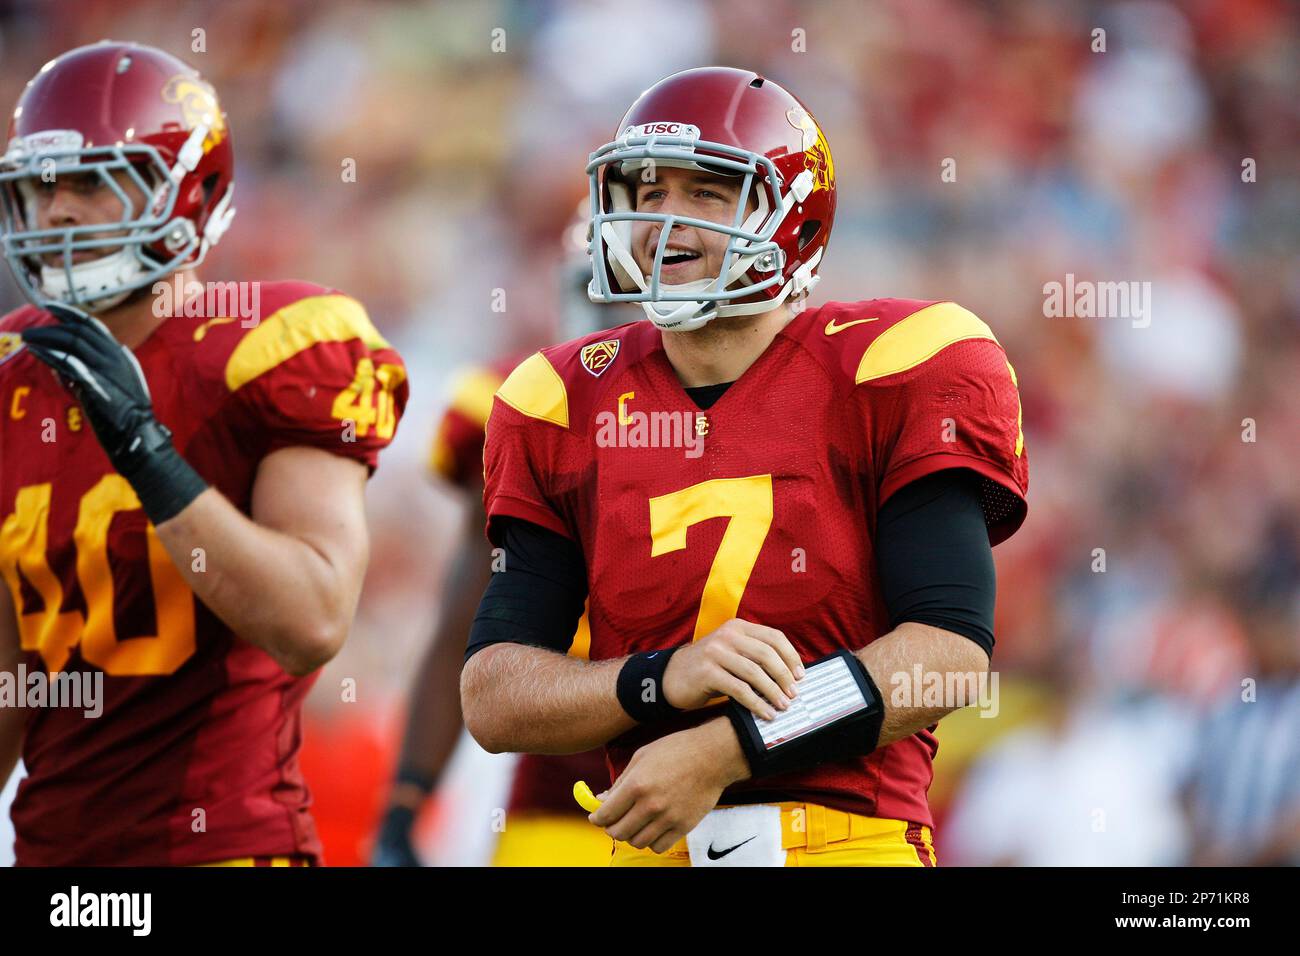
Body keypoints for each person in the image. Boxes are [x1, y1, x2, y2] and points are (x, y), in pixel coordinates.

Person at [460, 67, 1028, 867]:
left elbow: (948, 655)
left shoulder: (898, 365)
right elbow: (492, 694)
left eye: (706, 193)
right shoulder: (560, 397)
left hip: (846, 843)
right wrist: (659, 679)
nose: (665, 221)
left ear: (792, 216)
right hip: (647, 850)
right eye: (647, 194)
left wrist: (727, 750)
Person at [0, 41, 407, 865]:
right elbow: (11, 672)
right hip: (56, 864)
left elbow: (312, 619)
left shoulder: (274, 344)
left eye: (92, 181)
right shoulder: (13, 371)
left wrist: (144, 451)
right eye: (43, 189)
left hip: (222, 847)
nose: (61, 213)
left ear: (190, 192)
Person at [372, 212, 619, 867]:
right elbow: (465, 620)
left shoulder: (765, 405)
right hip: (564, 803)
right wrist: (404, 805)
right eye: (601, 285)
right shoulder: (527, 404)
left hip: (739, 800)